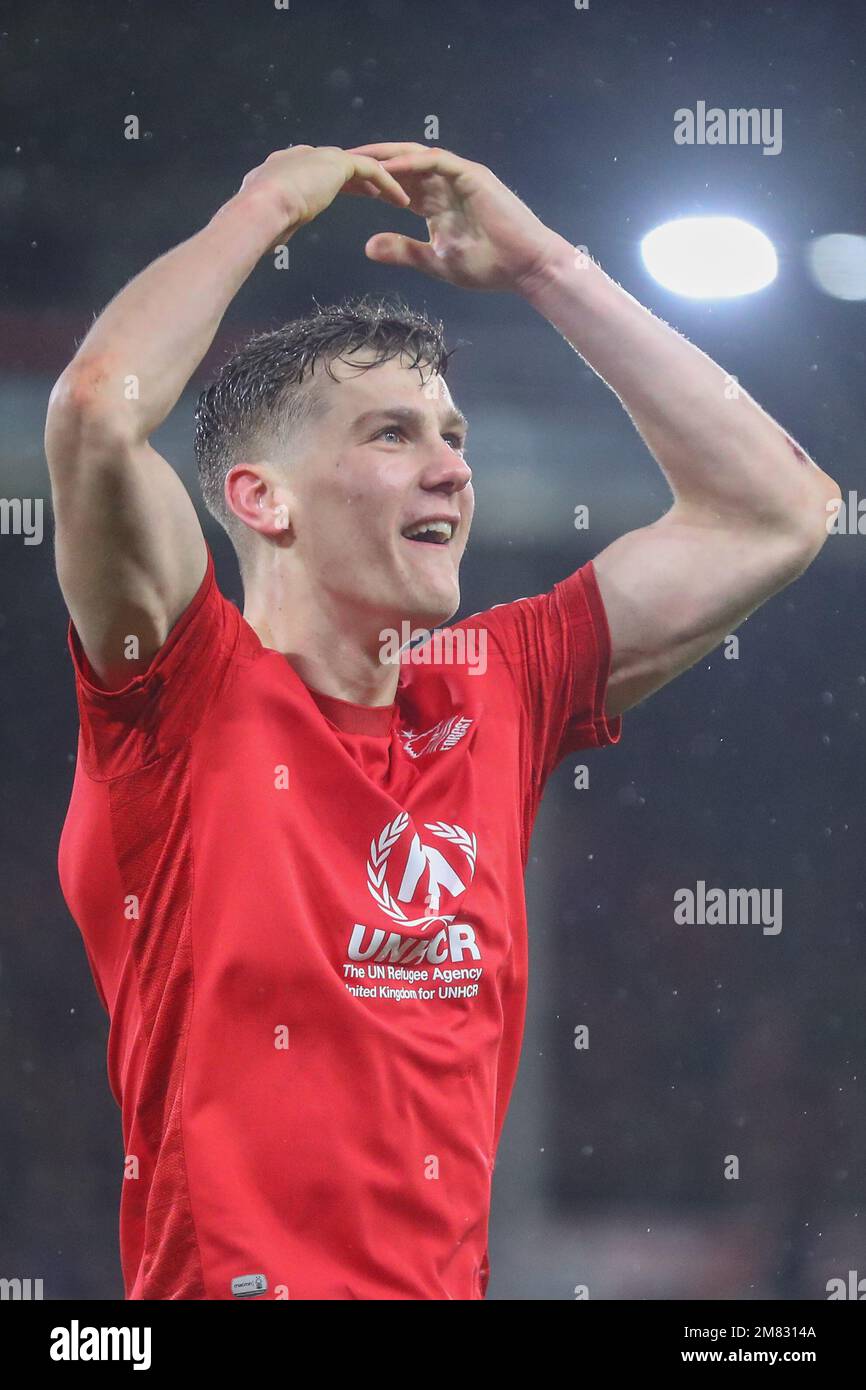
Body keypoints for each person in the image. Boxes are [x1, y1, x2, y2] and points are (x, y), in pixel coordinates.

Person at [44, 143, 839, 1300]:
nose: (449, 472)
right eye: (391, 435)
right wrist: (263, 204)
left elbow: (779, 511)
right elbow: (94, 415)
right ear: (261, 498)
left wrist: (542, 268)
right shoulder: (179, 693)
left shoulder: (491, 685)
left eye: (453, 438)